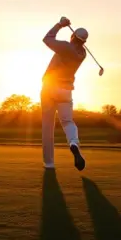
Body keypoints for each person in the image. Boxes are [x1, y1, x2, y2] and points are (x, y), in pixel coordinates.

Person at [41, 16, 87, 171]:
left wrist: (60, 24)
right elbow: (77, 44)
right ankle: (73, 142)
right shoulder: (82, 53)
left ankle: (49, 164)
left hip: (49, 87)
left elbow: (47, 39)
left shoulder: (66, 47)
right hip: (66, 90)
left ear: (73, 36)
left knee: (48, 126)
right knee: (67, 122)